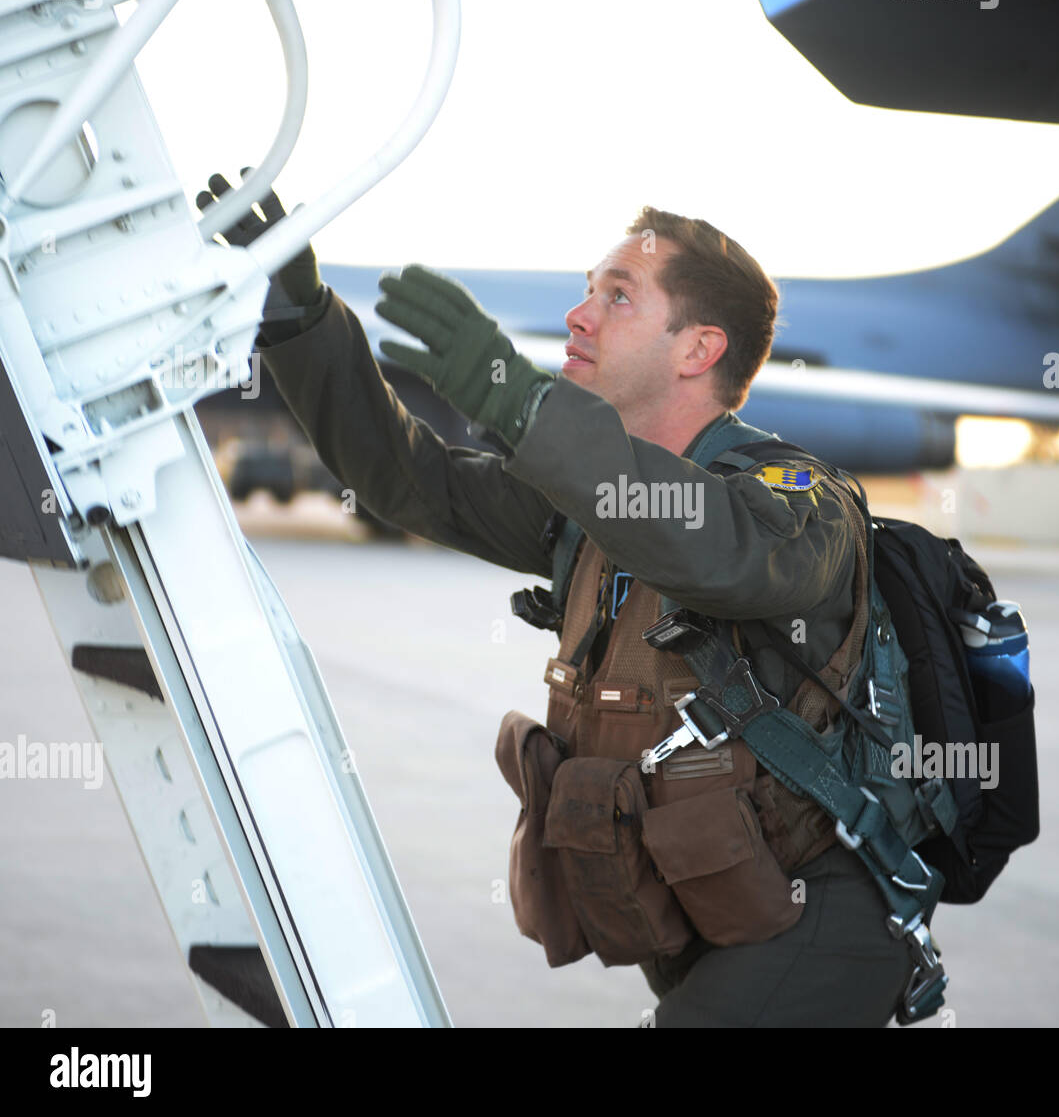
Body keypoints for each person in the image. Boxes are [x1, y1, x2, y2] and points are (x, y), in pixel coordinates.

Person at [196, 173, 918, 1026]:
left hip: (818, 922)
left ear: (699, 349)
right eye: (586, 293)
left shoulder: (802, 498)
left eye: (618, 296)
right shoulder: (588, 508)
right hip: (714, 918)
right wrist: (301, 318)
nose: (580, 317)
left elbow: (718, 550)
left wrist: (514, 396)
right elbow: (408, 477)